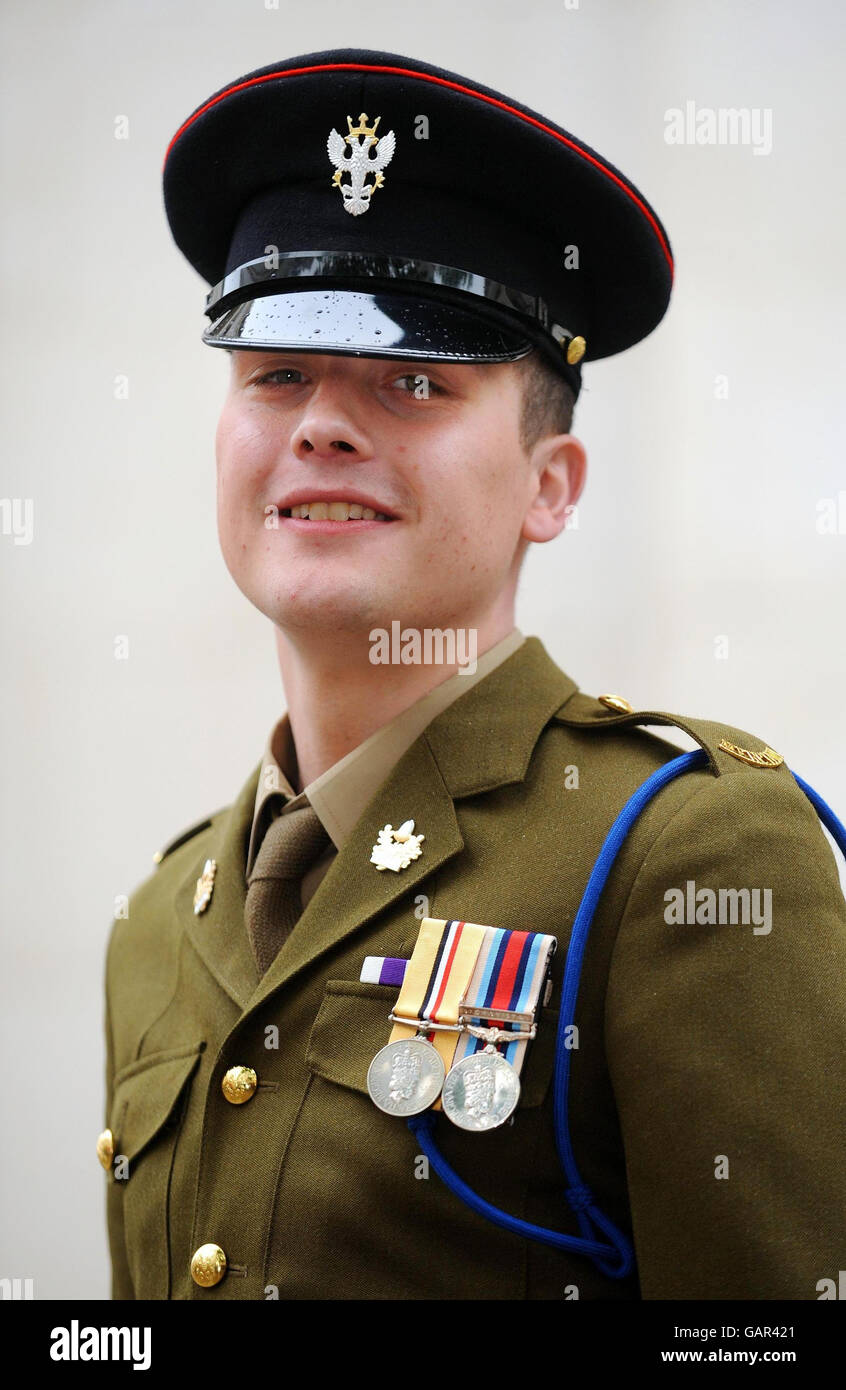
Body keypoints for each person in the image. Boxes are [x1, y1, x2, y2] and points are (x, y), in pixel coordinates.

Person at [101, 47, 846, 1301]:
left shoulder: (686, 850)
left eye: (411, 381)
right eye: (276, 372)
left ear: (548, 486)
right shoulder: (164, 911)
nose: (322, 424)